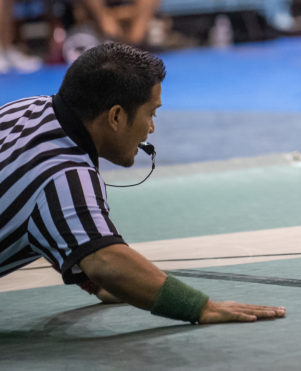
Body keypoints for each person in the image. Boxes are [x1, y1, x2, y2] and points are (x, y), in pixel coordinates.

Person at [0, 42, 286, 324]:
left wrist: (93, 283)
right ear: (116, 116)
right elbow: (106, 260)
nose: (151, 128)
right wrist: (201, 308)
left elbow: (44, 215)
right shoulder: (65, 176)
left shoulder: (24, 109)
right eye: (151, 113)